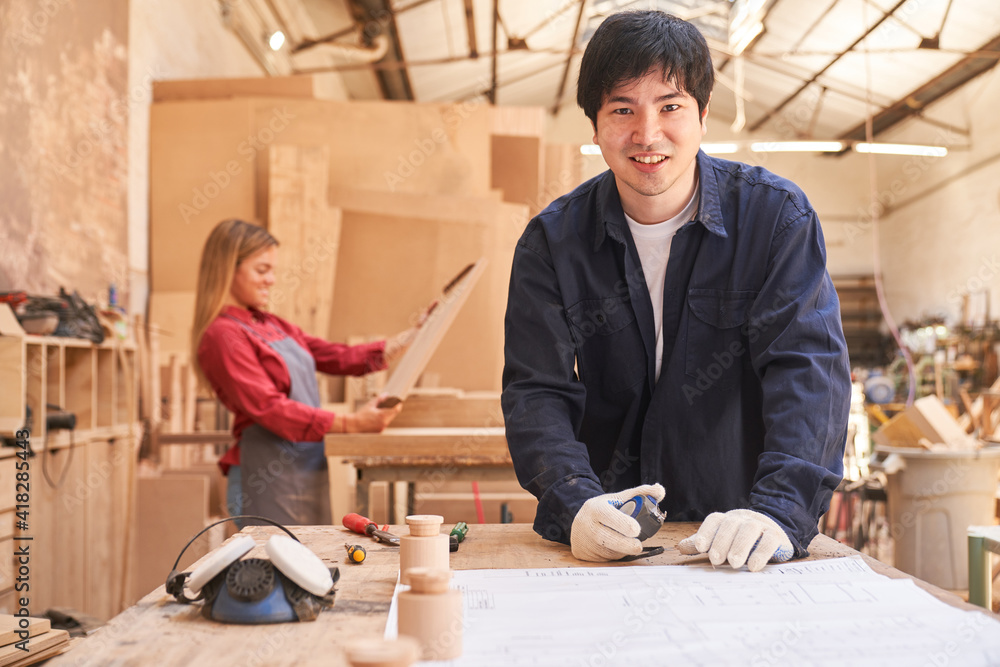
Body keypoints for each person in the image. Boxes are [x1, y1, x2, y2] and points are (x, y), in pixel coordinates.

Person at [501, 11, 851, 570]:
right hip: (604, 539)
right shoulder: (552, 243)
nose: (647, 134)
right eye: (622, 109)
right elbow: (536, 391)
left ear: (703, 115)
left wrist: (780, 512)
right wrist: (575, 506)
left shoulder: (775, 220)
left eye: (670, 106)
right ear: (594, 125)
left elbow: (808, 371)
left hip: (738, 538)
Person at [192, 219, 417, 526]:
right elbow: (270, 408)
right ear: (228, 267)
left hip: (305, 467)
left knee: (308, 566)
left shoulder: (271, 325)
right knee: (278, 571)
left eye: (272, 270)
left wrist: (410, 338)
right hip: (266, 476)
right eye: (262, 270)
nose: (271, 280)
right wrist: (351, 424)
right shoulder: (222, 335)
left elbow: (336, 356)